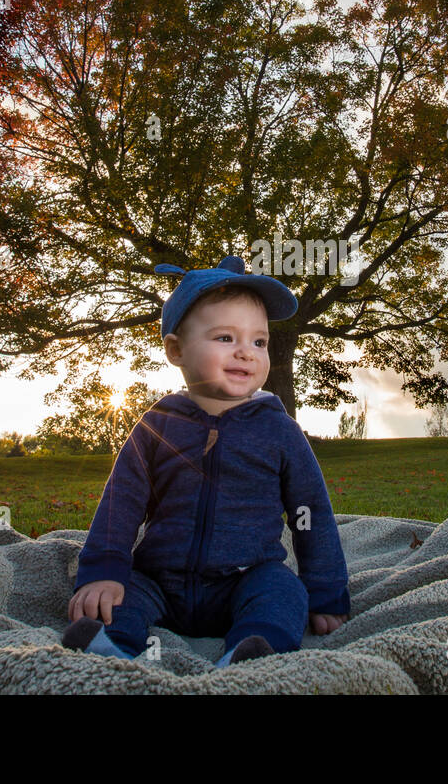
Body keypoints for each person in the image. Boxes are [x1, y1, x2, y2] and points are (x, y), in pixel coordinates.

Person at [63, 255, 351, 668]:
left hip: (247, 576)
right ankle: (109, 646)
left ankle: (252, 651)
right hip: (159, 577)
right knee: (116, 597)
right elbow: (120, 503)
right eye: (225, 338)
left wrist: (325, 592)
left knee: (284, 592)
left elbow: (311, 512)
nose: (246, 354)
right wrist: (103, 572)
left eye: (259, 342)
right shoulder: (158, 425)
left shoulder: (278, 428)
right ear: (176, 349)